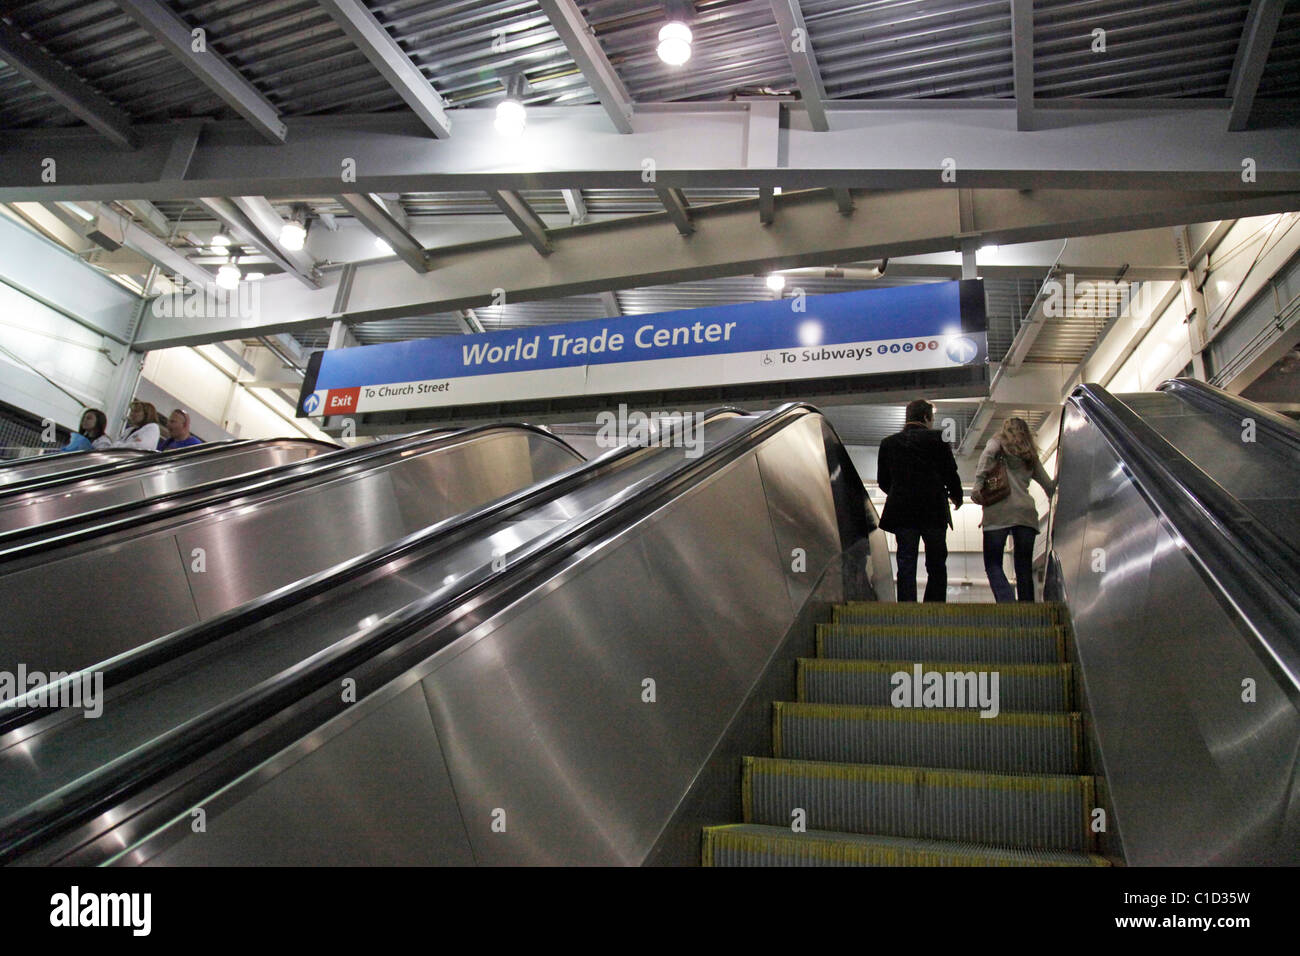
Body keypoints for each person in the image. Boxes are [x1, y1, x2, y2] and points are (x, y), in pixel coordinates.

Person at [877, 399, 963, 602]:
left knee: (906, 561)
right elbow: (950, 472)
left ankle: (907, 607)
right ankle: (935, 605)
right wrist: (956, 496)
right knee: (936, 561)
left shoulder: (889, 443)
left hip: (903, 512)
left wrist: (899, 493)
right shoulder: (938, 439)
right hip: (933, 510)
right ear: (926, 417)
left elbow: (883, 481)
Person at [973, 417, 1058, 603]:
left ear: (1005, 429)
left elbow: (986, 457)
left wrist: (977, 486)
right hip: (1025, 513)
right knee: (1024, 567)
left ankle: (1007, 603)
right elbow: (1049, 486)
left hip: (998, 512)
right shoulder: (1030, 455)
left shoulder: (996, 443)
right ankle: (1027, 610)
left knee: (993, 564)